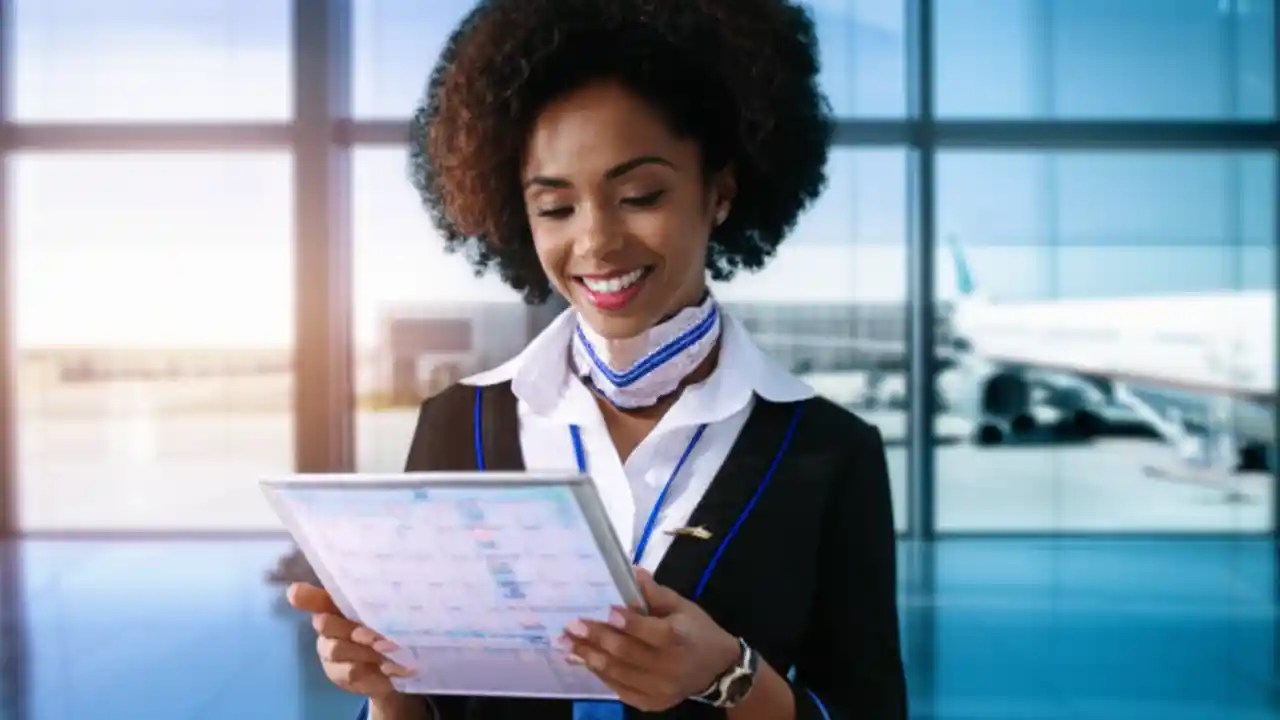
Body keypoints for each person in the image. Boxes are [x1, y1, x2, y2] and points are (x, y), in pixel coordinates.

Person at [287, 0, 908, 717]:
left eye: (639, 195)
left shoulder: (828, 452)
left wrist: (729, 675)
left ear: (721, 192)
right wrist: (385, 684)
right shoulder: (460, 422)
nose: (596, 243)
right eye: (555, 208)